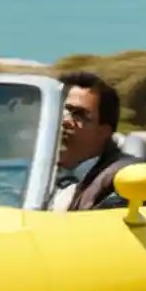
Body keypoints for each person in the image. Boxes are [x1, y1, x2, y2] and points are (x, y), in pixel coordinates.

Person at [49, 71, 123, 211]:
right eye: (57, 110)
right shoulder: (21, 172)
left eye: (79, 114)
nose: (63, 120)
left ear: (104, 132)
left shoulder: (115, 189)